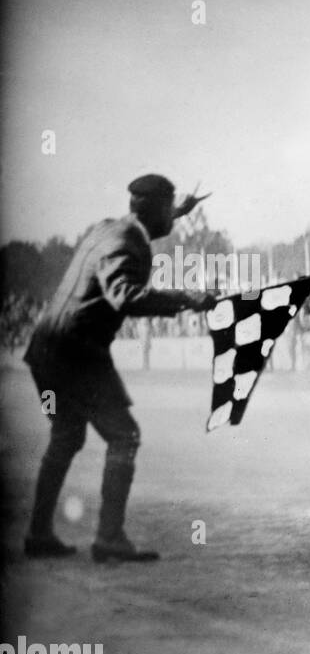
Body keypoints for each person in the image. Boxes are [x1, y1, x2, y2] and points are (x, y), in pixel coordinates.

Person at [23, 174, 216, 561]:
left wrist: (180, 209)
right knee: (124, 436)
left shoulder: (111, 228)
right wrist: (188, 299)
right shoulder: (126, 242)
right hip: (76, 355)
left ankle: (39, 535)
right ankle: (109, 538)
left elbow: (146, 227)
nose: (174, 217)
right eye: (171, 208)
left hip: (44, 352)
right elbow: (124, 296)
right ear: (154, 209)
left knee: (65, 435)